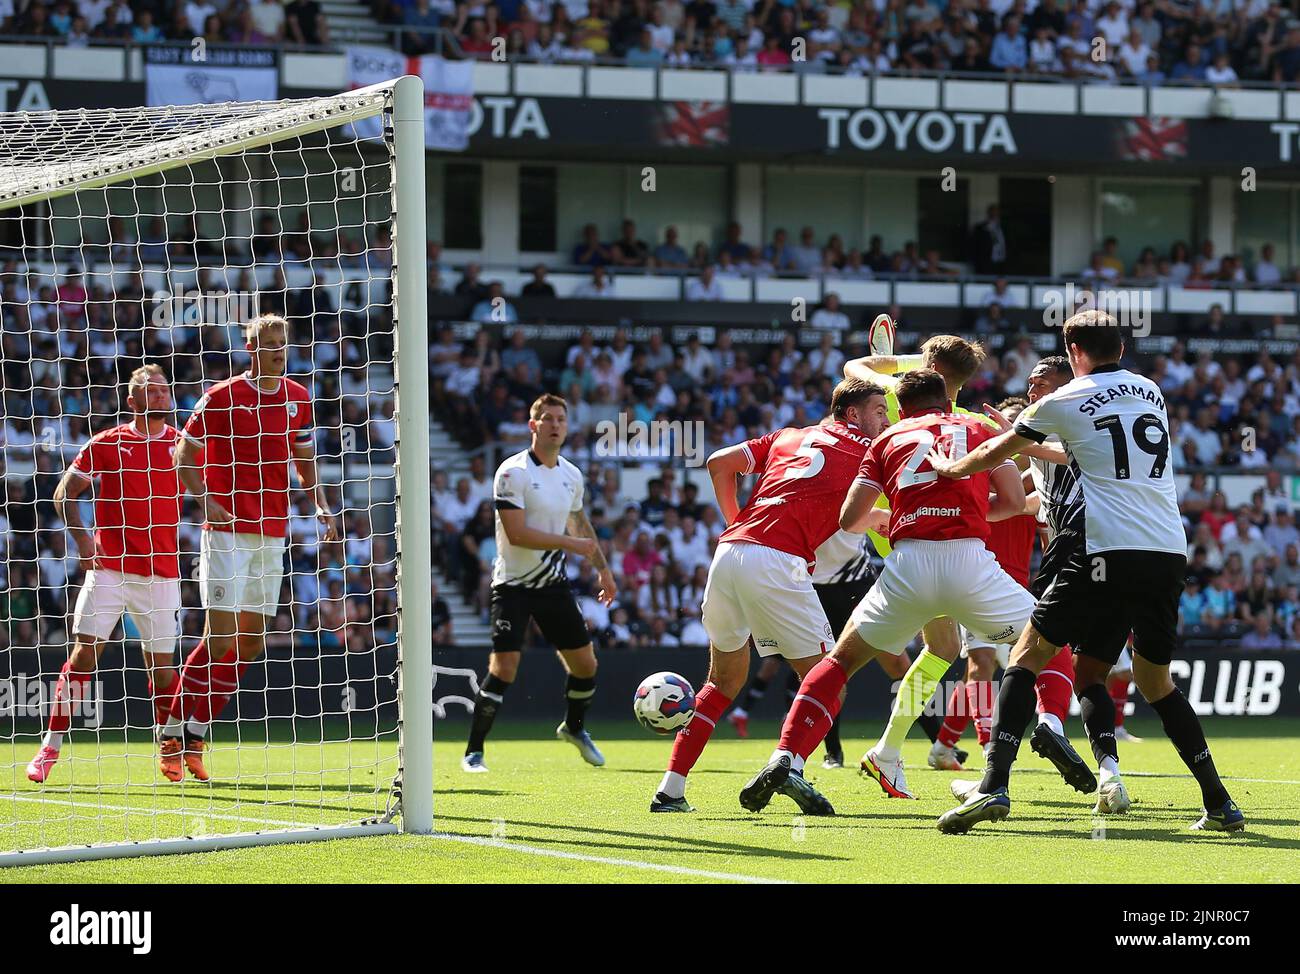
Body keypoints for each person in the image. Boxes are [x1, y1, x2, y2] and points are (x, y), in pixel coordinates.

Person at [931, 311, 1243, 834]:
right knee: (1145, 679)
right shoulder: (1150, 391)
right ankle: (1218, 801)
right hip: (1167, 552)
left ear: (1073, 350)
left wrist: (949, 469)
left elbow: (994, 454)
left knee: (1026, 655)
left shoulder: (1064, 400)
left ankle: (992, 787)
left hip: (1104, 549)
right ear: (1120, 347)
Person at [738, 368, 1033, 809]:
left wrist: (902, 515)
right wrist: (961, 509)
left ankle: (790, 755)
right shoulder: (977, 427)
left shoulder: (886, 440)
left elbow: (849, 519)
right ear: (947, 400)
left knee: (840, 663)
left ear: (902, 405)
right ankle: (1017, 762)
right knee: (1046, 644)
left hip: (907, 564)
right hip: (969, 560)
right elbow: (1011, 504)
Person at [650, 378, 890, 813]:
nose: (886, 418)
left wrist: (736, 521)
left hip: (728, 553)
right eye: (879, 410)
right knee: (829, 685)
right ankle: (788, 763)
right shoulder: (869, 452)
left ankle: (670, 790)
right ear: (852, 414)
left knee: (721, 683)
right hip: (779, 563)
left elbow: (719, 462)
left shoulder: (788, 436)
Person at [165, 315, 341, 781]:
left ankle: (196, 731)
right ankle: (171, 732)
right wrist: (207, 501)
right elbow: (181, 455)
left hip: (272, 533)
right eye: (269, 344)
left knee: (250, 642)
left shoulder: (299, 400)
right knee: (219, 639)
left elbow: (305, 460)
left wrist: (320, 504)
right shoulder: (220, 397)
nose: (279, 351)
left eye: (283, 344)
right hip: (225, 533)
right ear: (250, 347)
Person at [27, 366, 185, 783]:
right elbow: (64, 494)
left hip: (162, 573)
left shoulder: (183, 446)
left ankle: (169, 744)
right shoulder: (108, 443)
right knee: (82, 656)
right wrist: (83, 542)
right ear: (131, 402)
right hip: (110, 569)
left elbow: (209, 489)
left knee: (162, 669)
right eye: (149, 392)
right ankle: (50, 748)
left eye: (164, 390)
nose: (159, 396)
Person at [462, 394, 617, 773]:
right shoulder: (512, 472)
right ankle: (474, 750)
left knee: (586, 665)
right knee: (505, 668)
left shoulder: (571, 474)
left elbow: (580, 524)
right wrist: (571, 544)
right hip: (512, 584)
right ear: (532, 426)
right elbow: (516, 534)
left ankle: (574, 729)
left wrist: (603, 569)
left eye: (560, 419)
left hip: (552, 584)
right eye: (546, 418)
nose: (554, 425)